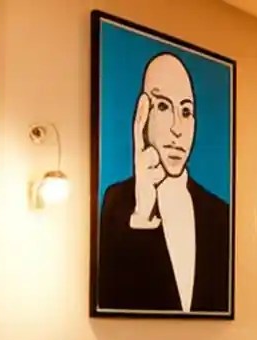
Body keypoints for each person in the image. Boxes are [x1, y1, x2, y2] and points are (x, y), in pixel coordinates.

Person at [97, 53, 231, 314]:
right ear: (143, 115)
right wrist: (142, 214)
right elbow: (111, 301)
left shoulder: (220, 214)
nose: (177, 128)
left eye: (186, 111)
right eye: (162, 107)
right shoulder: (117, 203)